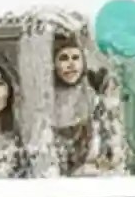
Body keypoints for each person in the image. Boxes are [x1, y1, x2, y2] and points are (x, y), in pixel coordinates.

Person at [50, 34, 127, 177]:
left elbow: (114, 154)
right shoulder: (46, 103)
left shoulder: (96, 103)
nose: (71, 64)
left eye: (75, 58)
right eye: (64, 58)